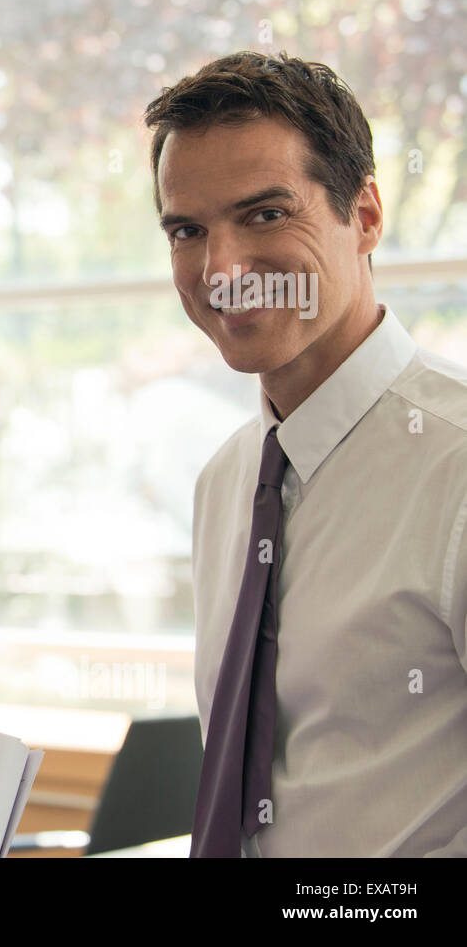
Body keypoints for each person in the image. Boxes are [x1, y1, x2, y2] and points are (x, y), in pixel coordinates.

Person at [146, 51, 467, 856]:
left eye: (263, 214)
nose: (221, 270)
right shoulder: (227, 479)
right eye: (188, 230)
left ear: (364, 216)